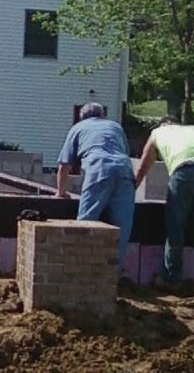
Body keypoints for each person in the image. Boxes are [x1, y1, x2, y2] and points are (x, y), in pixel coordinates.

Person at [134, 116, 194, 291]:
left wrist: (132, 188)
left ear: (164, 124)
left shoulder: (157, 132)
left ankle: (172, 279)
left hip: (183, 171)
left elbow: (145, 162)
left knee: (175, 226)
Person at [56, 103, 136, 272]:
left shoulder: (78, 128)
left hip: (98, 169)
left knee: (86, 223)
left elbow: (64, 165)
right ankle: (113, 276)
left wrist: (61, 193)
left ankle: (80, 272)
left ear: (82, 117)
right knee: (122, 229)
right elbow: (124, 153)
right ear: (102, 115)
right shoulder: (115, 126)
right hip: (125, 171)